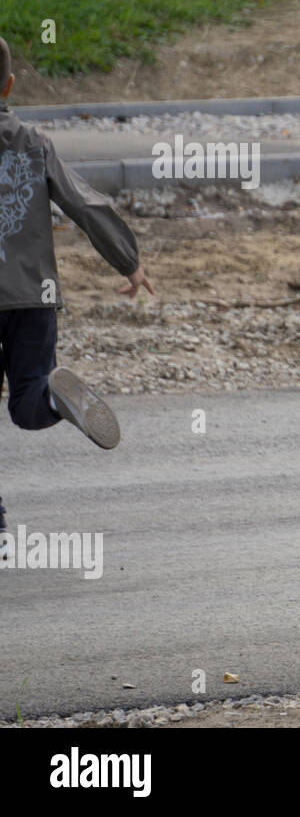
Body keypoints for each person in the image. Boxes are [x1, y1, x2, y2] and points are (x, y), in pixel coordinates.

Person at [0, 35, 155, 543]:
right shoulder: (35, 143)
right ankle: (53, 397)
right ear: (9, 85)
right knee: (27, 401)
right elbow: (82, 203)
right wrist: (127, 261)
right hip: (34, 300)